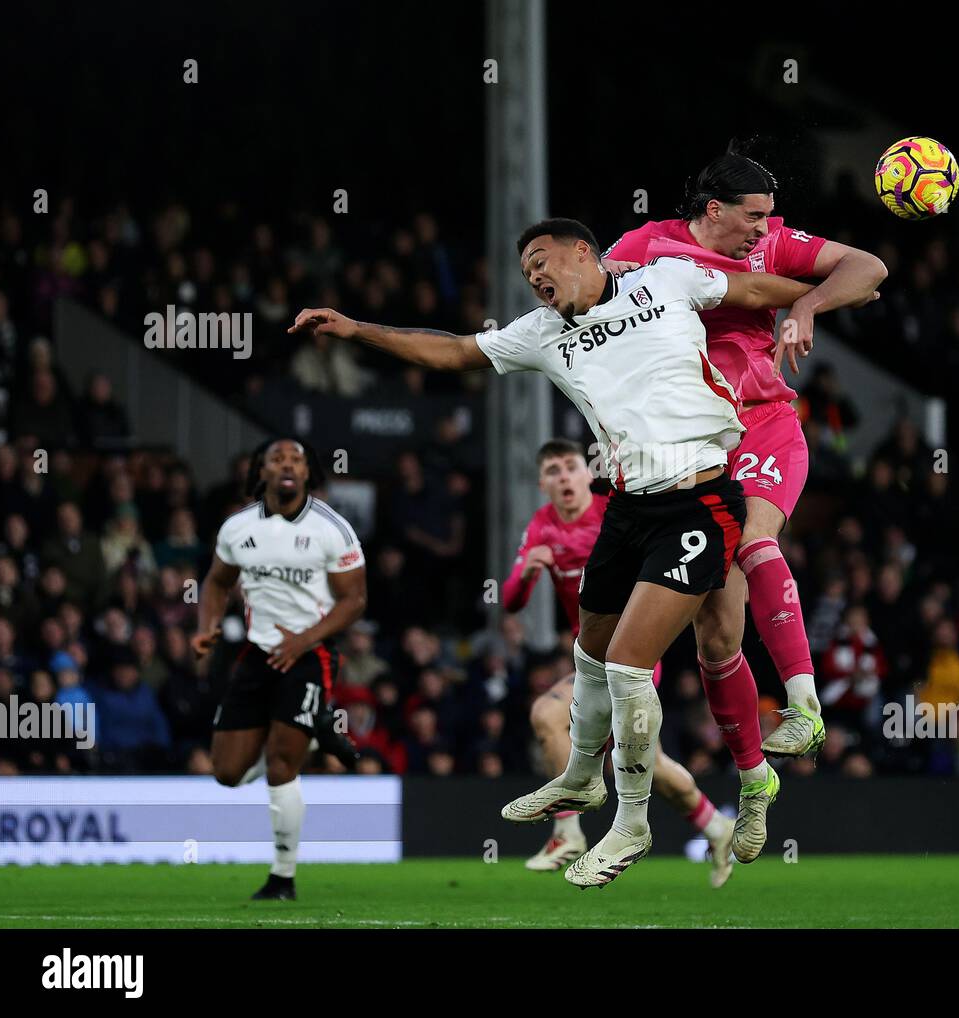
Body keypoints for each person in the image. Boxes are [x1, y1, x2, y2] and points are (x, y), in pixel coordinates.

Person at [290, 217, 820, 886]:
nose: (534, 276)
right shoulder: (542, 333)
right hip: (629, 507)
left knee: (635, 666)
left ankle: (632, 826)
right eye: (525, 272)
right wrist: (359, 329)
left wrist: (810, 300)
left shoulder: (665, 280)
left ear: (582, 253)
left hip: (701, 501)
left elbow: (750, 287)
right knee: (591, 654)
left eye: (542, 261)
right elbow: (453, 351)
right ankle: (581, 781)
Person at [603, 150, 886, 767]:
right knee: (717, 634)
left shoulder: (775, 245)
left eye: (769, 216)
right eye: (754, 215)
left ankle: (804, 707)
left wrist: (807, 306)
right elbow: (595, 296)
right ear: (714, 210)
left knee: (759, 540)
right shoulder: (647, 243)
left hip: (763, 422)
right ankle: (755, 780)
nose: (765, 227)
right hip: (694, 446)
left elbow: (868, 269)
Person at [504, 438, 735, 886]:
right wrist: (527, 570)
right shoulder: (541, 526)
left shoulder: (613, 515)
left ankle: (567, 831)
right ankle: (716, 827)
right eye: (553, 471)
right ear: (541, 483)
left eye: (570, 467)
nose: (564, 477)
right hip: (592, 660)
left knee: (547, 713)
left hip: (635, 653)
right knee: (652, 762)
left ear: (589, 472)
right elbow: (512, 601)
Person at [192, 438, 366, 900]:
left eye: (296, 460)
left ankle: (282, 877)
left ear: (308, 474)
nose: (287, 465)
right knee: (226, 773)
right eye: (277, 459)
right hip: (259, 652)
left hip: (312, 653)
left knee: (280, 763)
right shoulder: (237, 528)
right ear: (261, 471)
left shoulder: (333, 529)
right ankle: (315, 726)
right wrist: (206, 626)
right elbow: (216, 582)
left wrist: (304, 640)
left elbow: (355, 600)